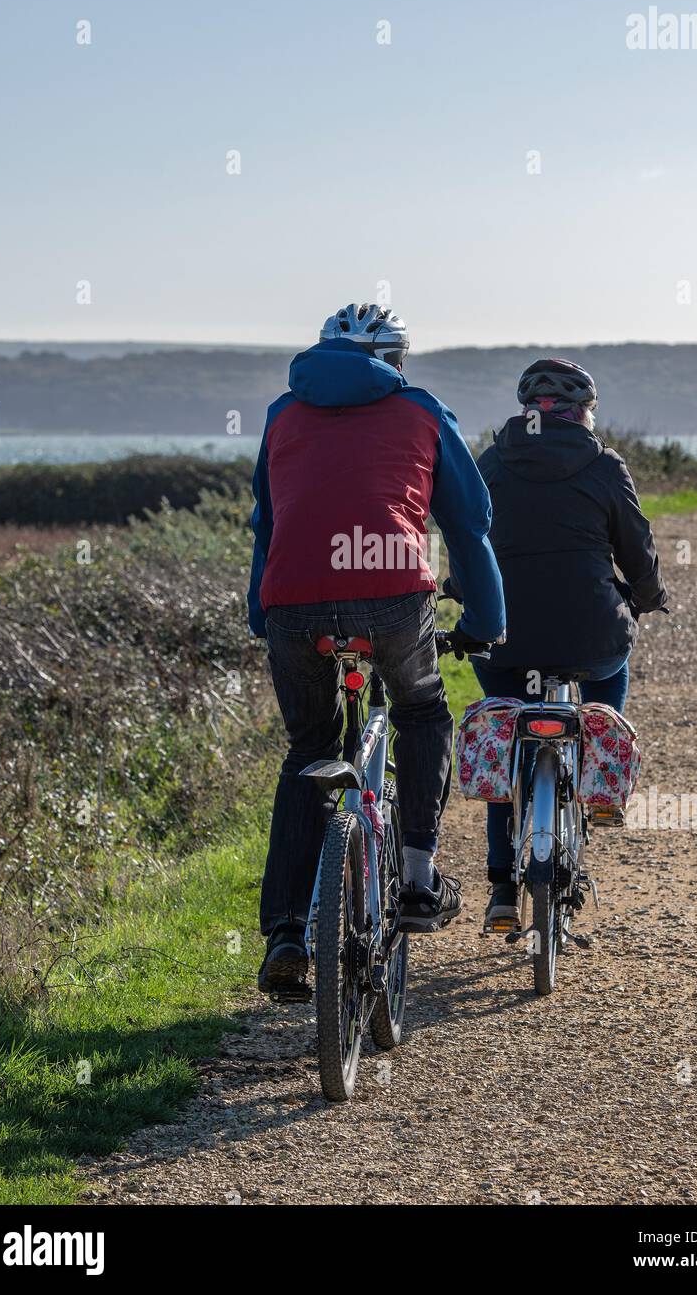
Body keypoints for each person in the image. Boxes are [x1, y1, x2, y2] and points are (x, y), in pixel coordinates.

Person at [248, 303, 505, 995]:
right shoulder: (421, 408)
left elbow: (264, 525)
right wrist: (485, 617)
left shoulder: (282, 412)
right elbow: (469, 522)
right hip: (392, 595)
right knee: (422, 710)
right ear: (394, 360)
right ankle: (418, 875)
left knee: (309, 751)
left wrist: (259, 614)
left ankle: (287, 934)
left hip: (292, 604)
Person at [466, 358, 668, 929]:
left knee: (508, 735)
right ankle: (600, 778)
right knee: (609, 670)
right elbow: (636, 547)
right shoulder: (604, 464)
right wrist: (649, 596)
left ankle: (503, 886)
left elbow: (468, 538)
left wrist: (463, 592)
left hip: (503, 636)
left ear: (527, 410)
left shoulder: (491, 462)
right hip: (591, 635)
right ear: (584, 412)